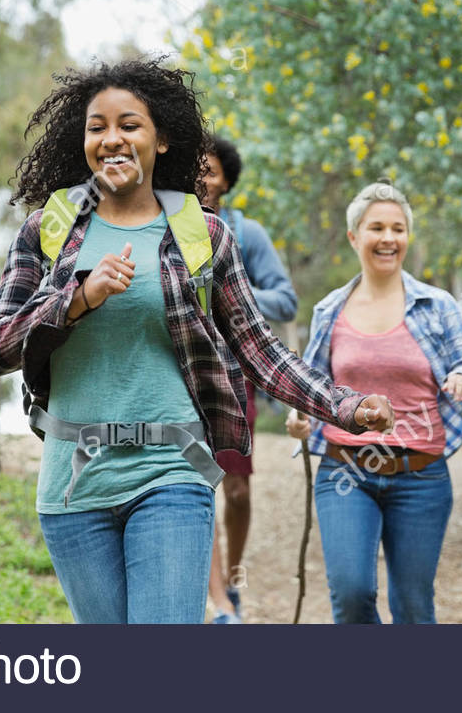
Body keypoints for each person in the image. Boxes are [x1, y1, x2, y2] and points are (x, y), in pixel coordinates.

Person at [0, 58, 394, 624]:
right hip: (74, 485)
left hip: (170, 472)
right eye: (97, 127)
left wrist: (345, 405)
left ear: (163, 138)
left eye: (130, 124)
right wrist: (75, 299)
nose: (111, 139)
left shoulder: (202, 233)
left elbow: (261, 351)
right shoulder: (48, 230)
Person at [286, 180, 462, 624]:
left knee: (413, 607)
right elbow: (309, 387)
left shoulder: (438, 305)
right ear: (354, 236)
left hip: (421, 476)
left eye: (398, 229)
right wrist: (300, 417)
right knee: (353, 593)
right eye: (376, 227)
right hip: (346, 470)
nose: (388, 238)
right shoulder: (330, 311)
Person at [199, 137, 298, 623]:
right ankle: (219, 604)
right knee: (197, 488)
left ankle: (232, 581)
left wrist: (233, 286)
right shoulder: (162, 221)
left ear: (228, 180)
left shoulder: (246, 233)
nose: (203, 178)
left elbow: (286, 300)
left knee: (236, 491)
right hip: (181, 378)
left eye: (212, 170)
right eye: (194, 168)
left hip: (236, 378)